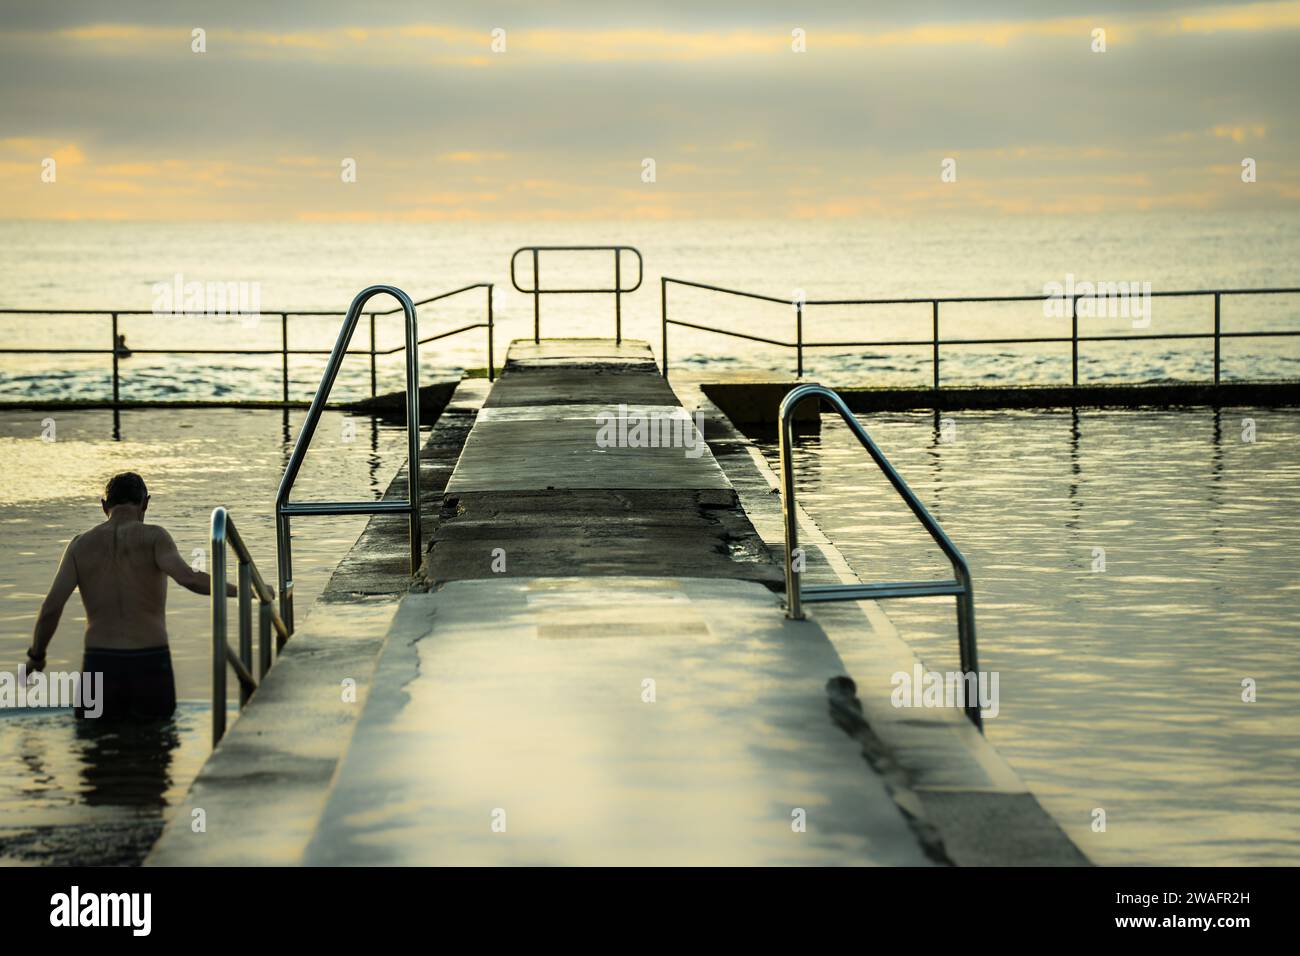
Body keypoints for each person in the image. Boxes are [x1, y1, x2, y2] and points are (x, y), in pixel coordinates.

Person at [23, 472, 234, 721]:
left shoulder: (79, 546)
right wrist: (245, 588)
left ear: (104, 506)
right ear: (146, 503)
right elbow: (189, 578)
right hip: (149, 662)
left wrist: (37, 657)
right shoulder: (155, 537)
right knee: (153, 749)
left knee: (97, 750)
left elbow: (51, 607)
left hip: (99, 664)